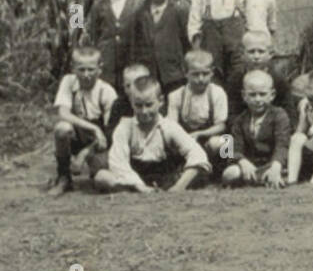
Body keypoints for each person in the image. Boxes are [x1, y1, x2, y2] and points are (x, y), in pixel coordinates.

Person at [94, 77, 210, 193]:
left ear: (161, 101)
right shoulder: (125, 127)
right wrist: (140, 186)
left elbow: (197, 153)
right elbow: (118, 161)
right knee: (102, 176)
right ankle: (134, 191)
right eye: (138, 105)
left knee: (196, 171)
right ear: (131, 103)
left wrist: (179, 186)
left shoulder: (168, 126)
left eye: (149, 105)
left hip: (166, 179)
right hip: (135, 179)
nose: (144, 111)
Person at [48, 46, 118, 195]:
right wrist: (94, 128)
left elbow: (108, 136)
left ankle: (95, 170)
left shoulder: (107, 92)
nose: (86, 75)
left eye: (91, 69)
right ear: (73, 68)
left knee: (102, 181)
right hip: (79, 135)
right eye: (81, 69)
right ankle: (63, 176)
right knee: (62, 128)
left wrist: (84, 154)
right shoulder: (69, 82)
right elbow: (63, 113)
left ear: (100, 69)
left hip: (98, 143)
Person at [221, 70, 292, 188]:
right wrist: (242, 162)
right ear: (244, 96)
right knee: (229, 173)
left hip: (272, 163)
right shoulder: (240, 120)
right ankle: (257, 179)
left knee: (283, 171)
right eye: (252, 95)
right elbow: (233, 149)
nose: (258, 99)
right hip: (250, 165)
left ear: (272, 95)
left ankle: (270, 177)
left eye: (262, 94)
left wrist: (276, 165)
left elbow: (282, 145)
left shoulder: (279, 115)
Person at [85, 0, 145, 93]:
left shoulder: (140, 3)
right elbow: (94, 34)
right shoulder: (98, 4)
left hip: (131, 62)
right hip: (108, 66)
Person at [130, 0, 190, 97]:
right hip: (137, 71)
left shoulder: (180, 9)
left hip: (172, 74)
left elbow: (186, 42)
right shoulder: (86, 1)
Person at [166, 49, 229, 158]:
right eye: (195, 74)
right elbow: (172, 125)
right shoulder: (176, 95)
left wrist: (200, 134)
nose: (201, 79)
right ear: (185, 73)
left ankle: (221, 170)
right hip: (184, 139)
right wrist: (185, 138)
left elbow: (221, 126)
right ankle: (178, 168)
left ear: (212, 72)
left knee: (225, 142)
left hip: (208, 137)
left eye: (205, 74)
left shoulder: (218, 92)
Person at [225, 29, 293, 119]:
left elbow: (289, 112)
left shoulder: (279, 81)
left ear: (270, 54)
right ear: (242, 54)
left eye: (261, 51)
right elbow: (232, 112)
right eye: (251, 51)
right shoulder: (235, 80)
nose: (256, 57)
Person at [105, 62, 153, 139]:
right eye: (128, 85)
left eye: (138, 84)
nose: (132, 89)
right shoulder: (119, 104)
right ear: (123, 86)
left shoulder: (153, 101)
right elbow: (110, 132)